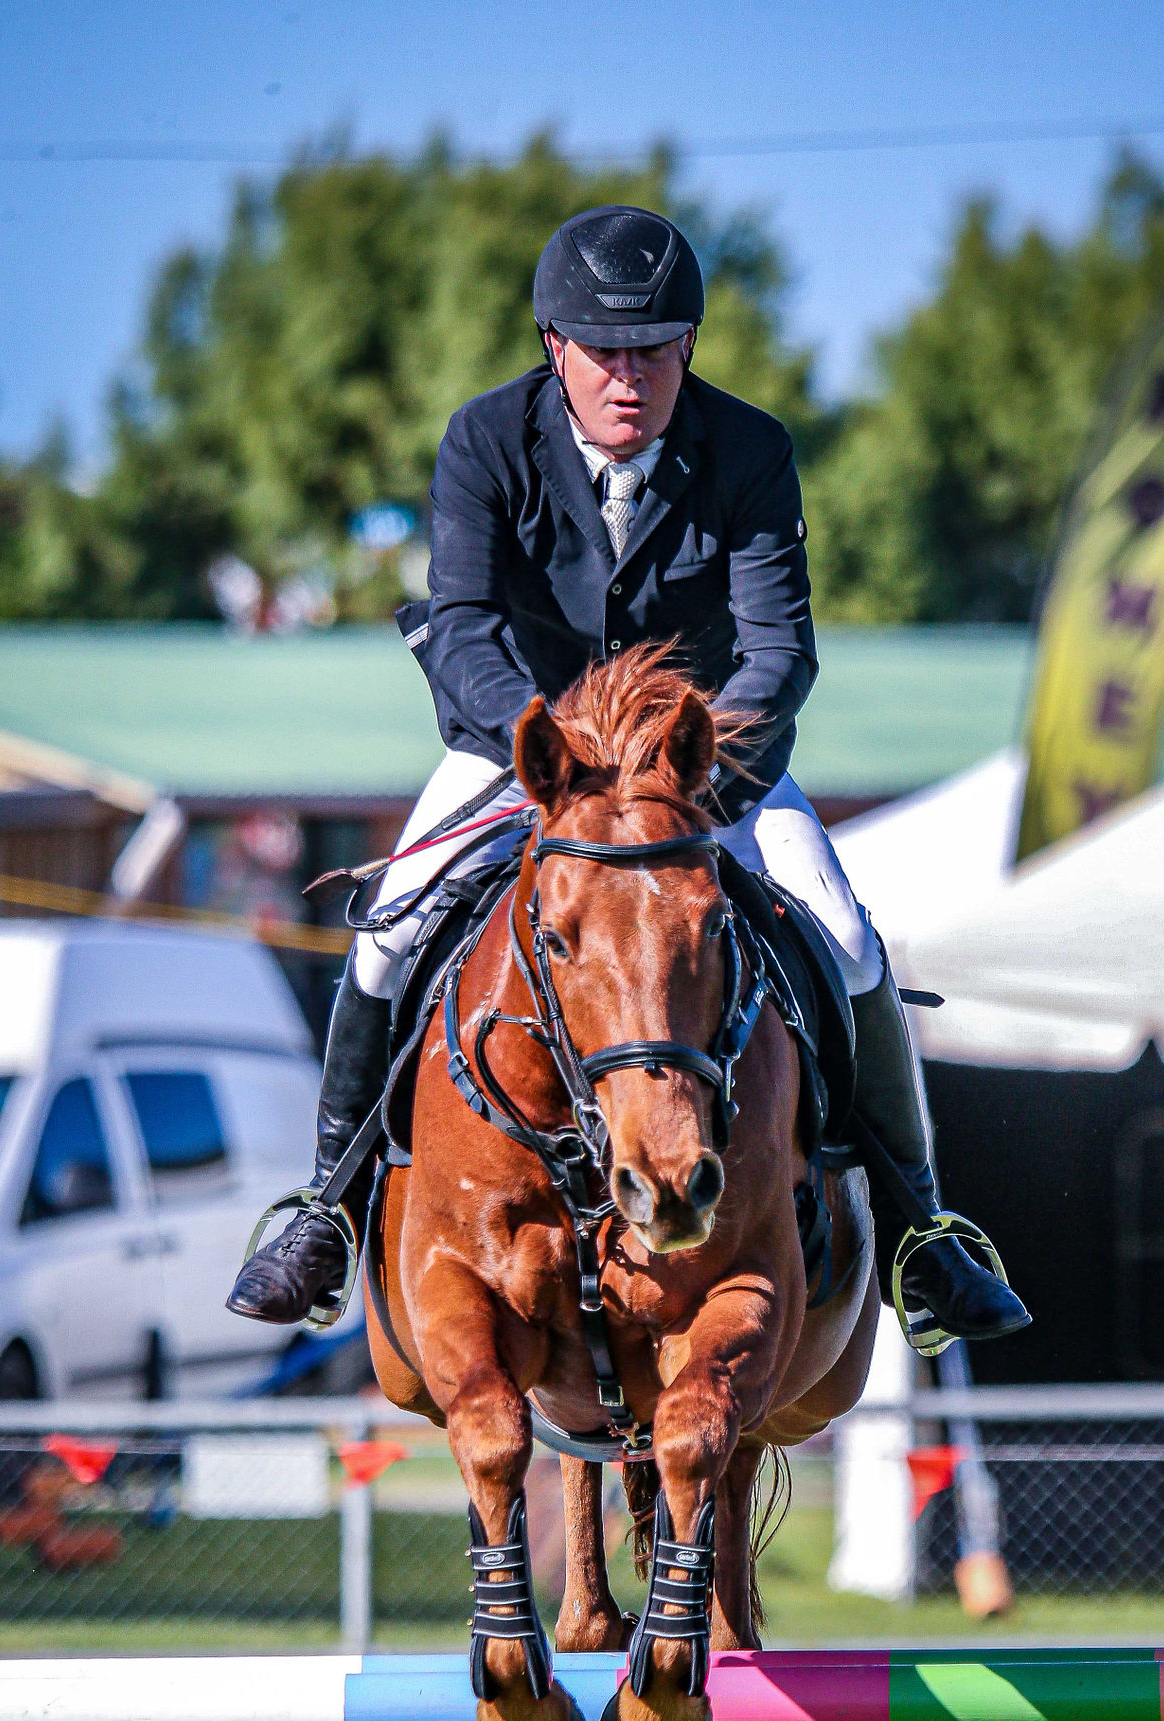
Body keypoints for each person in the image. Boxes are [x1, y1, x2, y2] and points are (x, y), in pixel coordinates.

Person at [228, 204, 1028, 1355]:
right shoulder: (484, 439)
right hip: (523, 755)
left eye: (653, 349)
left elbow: (777, 652)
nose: (628, 376)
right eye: (603, 351)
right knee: (388, 935)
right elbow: (465, 624)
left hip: (697, 772)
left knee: (850, 941)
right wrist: (550, 751)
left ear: (686, 346)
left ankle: (919, 1231)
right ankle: (326, 1213)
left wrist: (691, 776)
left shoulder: (749, 450)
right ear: (553, 346)